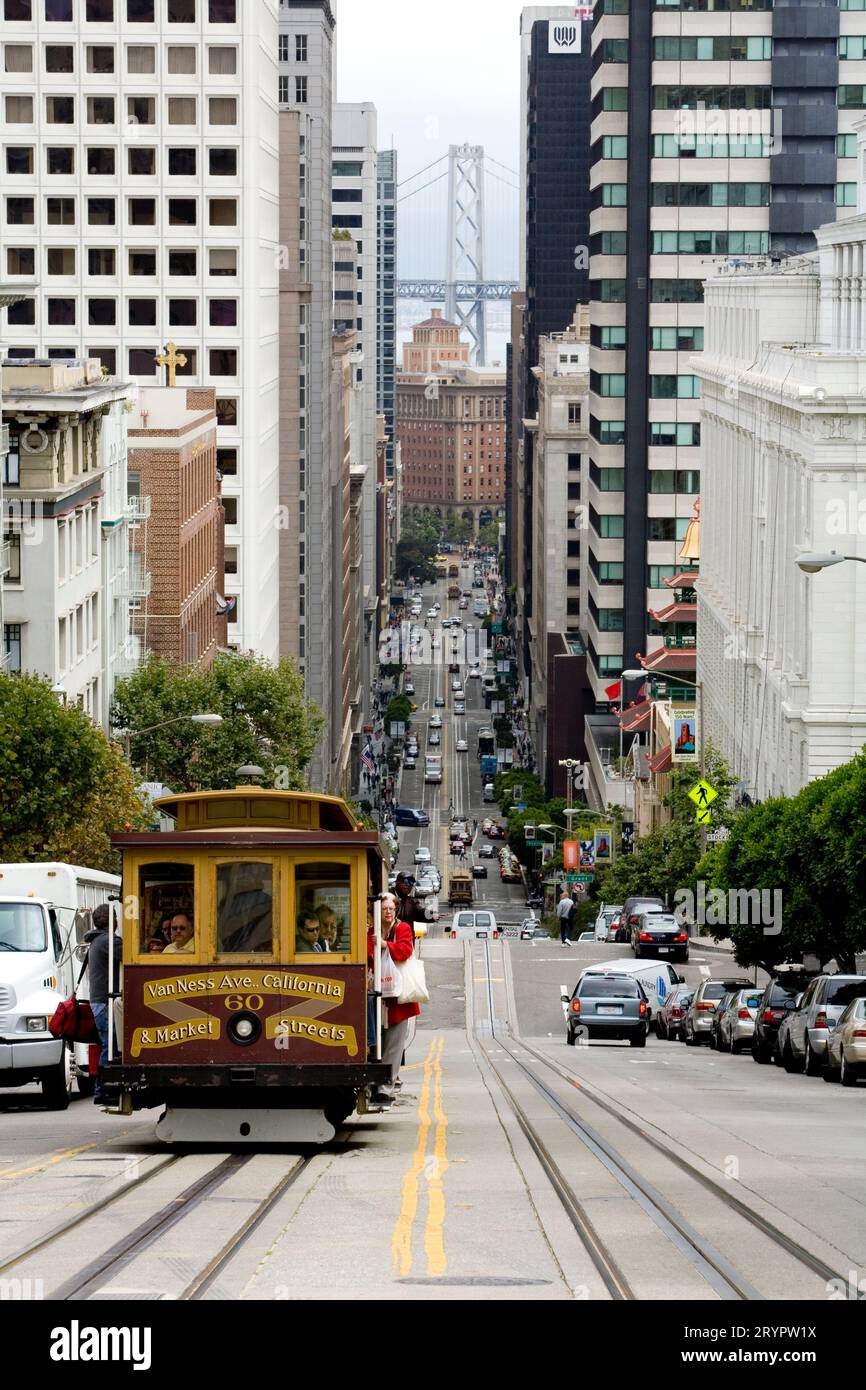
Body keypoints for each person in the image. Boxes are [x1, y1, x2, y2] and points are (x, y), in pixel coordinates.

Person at [368, 892, 420, 1104]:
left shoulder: (403, 929)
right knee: (376, 1042)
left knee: (393, 1045)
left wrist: (384, 945)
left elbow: (405, 951)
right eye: (384, 909)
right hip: (377, 997)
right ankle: (374, 1082)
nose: (388, 912)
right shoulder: (371, 932)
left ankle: (385, 1087)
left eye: (391, 909)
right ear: (377, 912)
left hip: (398, 998)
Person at [84, 903, 120, 1104]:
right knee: (110, 1046)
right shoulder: (109, 941)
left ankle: (104, 1089)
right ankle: (103, 1091)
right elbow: (131, 956)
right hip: (105, 1003)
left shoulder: (97, 940)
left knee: (109, 1044)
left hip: (99, 1002)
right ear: (113, 921)